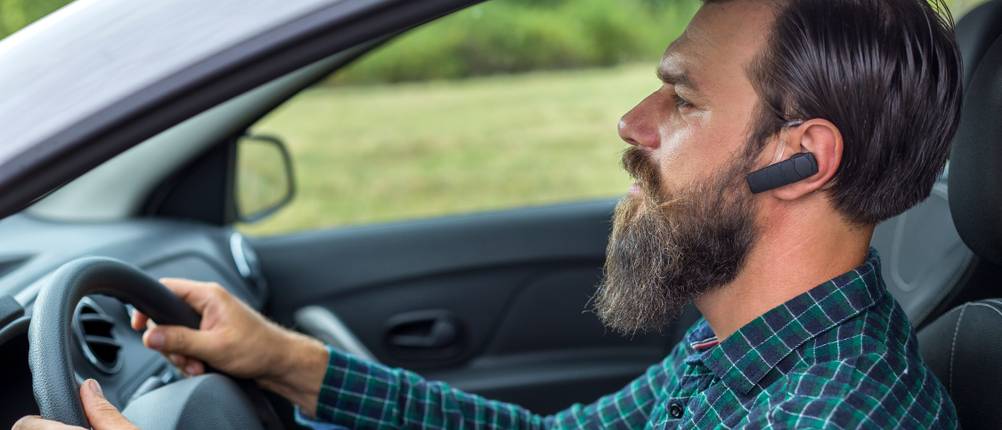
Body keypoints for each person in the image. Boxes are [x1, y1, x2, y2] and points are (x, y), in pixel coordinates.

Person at [15, 0, 964, 428]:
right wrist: (282, 360)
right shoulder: (744, 350)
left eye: (681, 99)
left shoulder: (840, 412)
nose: (631, 122)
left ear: (800, 158)